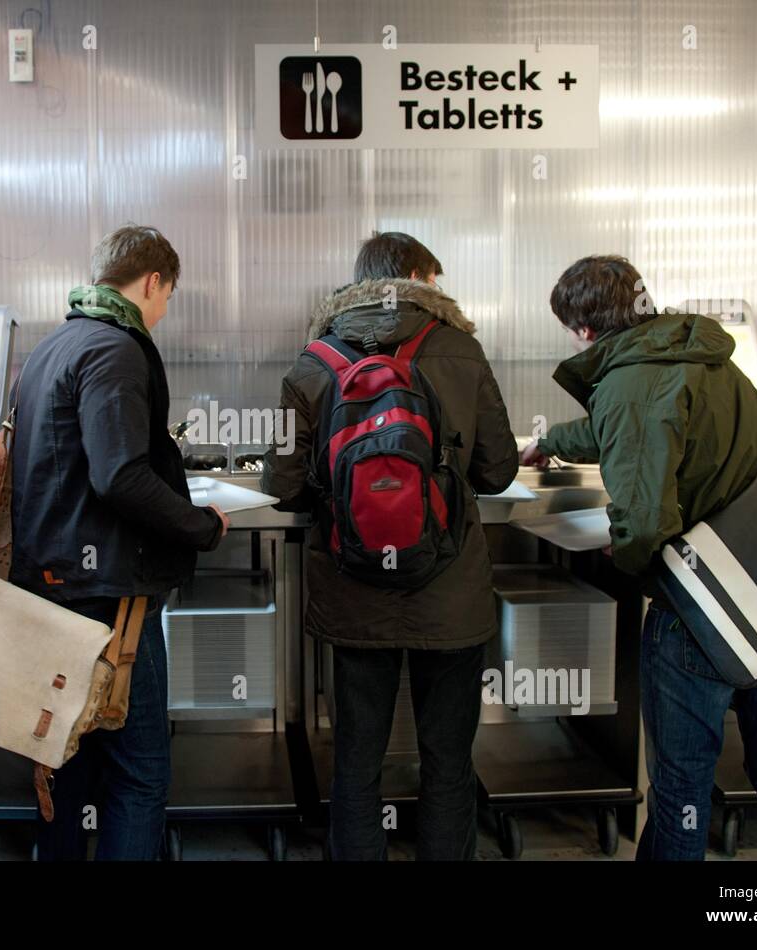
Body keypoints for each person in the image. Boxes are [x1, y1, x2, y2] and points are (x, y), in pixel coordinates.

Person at [521, 254, 757, 860]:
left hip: (701, 604)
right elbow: (630, 424)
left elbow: (645, 517)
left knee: (682, 782)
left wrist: (624, 549)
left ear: (581, 329)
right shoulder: (700, 355)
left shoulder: (630, 382)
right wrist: (550, 442)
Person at [261, 231, 518, 860]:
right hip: (450, 592)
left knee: (356, 761)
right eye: (434, 275)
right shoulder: (461, 348)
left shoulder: (313, 360)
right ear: (415, 275)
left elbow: (284, 483)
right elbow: (497, 470)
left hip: (354, 587)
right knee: (448, 761)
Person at [10, 224, 228, 861]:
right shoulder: (115, 348)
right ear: (153, 281)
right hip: (107, 602)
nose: (162, 313)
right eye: (167, 298)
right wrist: (203, 525)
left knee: (65, 757)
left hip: (52, 588)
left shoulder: (56, 345)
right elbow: (120, 475)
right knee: (138, 772)